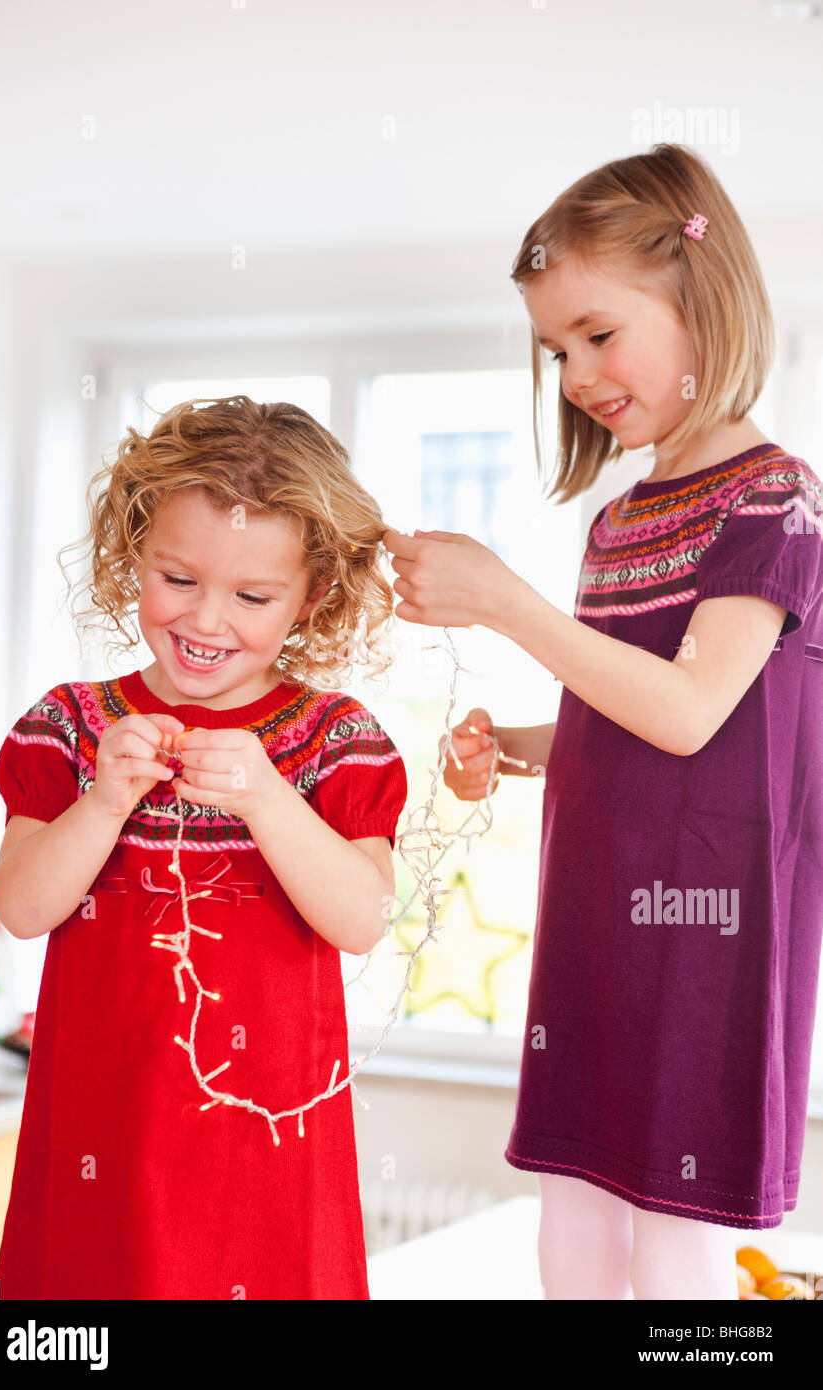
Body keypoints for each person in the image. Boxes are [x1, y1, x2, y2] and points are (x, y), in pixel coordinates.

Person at [382, 143, 823, 1300]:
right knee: (569, 1226)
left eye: (596, 333)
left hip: (708, 939)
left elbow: (687, 714)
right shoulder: (621, 521)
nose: (574, 372)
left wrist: (501, 603)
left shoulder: (772, 501)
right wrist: (524, 748)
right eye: (554, 350)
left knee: (677, 1246)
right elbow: (625, 716)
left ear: (698, 296)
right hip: (596, 928)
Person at [0, 395, 408, 1300]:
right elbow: (22, 909)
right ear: (131, 554)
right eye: (177, 579)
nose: (207, 621)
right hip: (102, 1135)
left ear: (314, 597)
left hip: (265, 1150)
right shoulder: (68, 727)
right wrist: (102, 802)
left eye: (253, 597)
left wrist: (267, 797)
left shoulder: (335, 739)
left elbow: (365, 919)